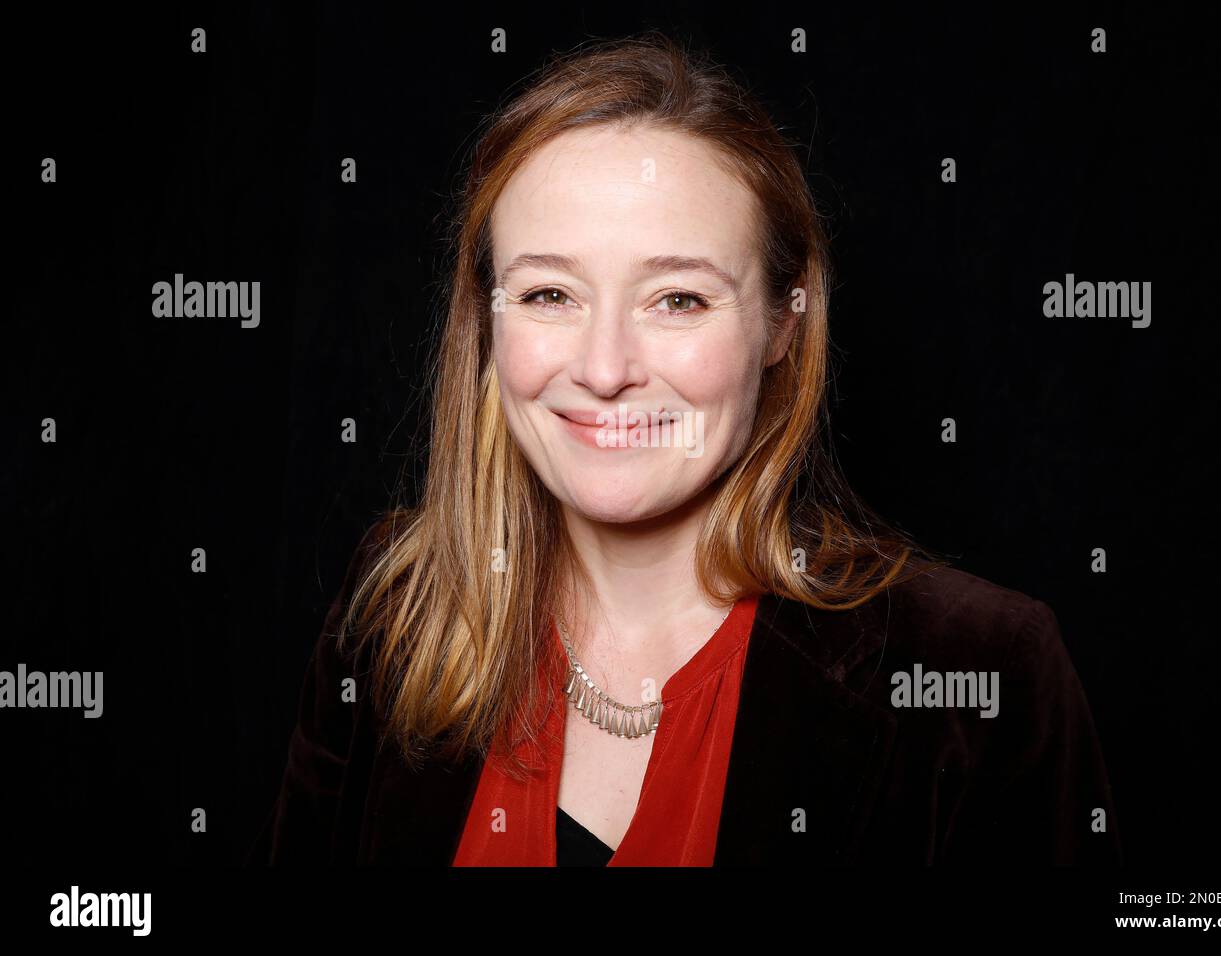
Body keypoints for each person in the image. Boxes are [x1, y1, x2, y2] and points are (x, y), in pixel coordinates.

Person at [248, 31, 1121, 867]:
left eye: (678, 300)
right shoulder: (394, 613)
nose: (605, 370)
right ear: (486, 321)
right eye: (550, 294)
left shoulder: (978, 673)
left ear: (785, 320)